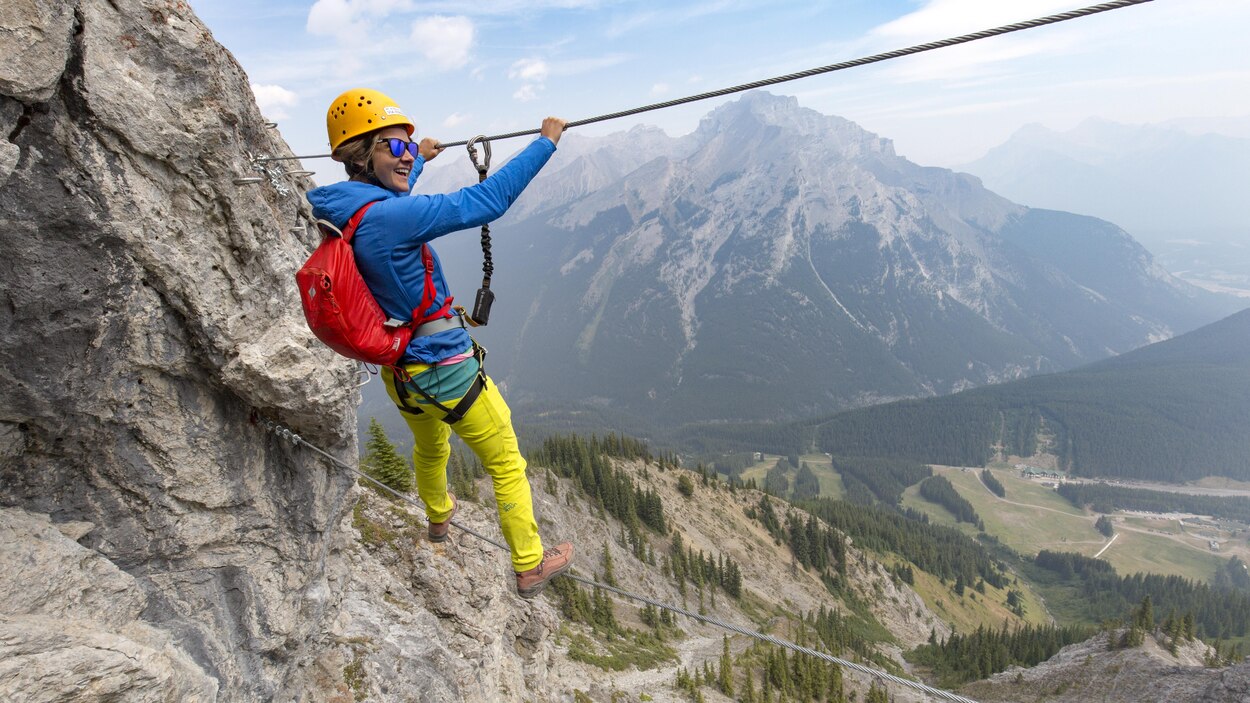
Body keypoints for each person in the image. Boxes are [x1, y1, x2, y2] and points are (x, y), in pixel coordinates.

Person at [307, 88, 573, 599]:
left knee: (432, 448)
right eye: (394, 147)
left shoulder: (348, 209)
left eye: (408, 147)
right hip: (443, 367)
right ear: (363, 156)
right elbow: (486, 201)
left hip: (400, 371)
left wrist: (418, 160)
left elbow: (384, 204)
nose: (405, 156)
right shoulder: (390, 218)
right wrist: (546, 143)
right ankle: (529, 562)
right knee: (506, 462)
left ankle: (437, 520)